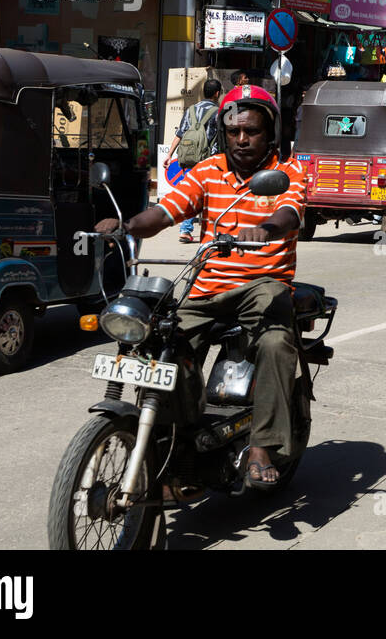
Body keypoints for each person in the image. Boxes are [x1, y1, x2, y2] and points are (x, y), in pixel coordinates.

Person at [95, 85, 307, 488]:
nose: (242, 139)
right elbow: (164, 212)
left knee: (277, 344)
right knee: (161, 342)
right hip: (207, 290)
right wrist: (124, 225)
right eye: (233, 132)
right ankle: (181, 435)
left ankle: (263, 445)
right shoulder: (208, 170)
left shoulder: (287, 172)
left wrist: (265, 229)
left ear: (270, 133)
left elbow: (289, 213)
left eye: (252, 131)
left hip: (262, 286)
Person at [165, 79, 222, 243]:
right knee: (211, 195)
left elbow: (180, 133)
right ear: (217, 93)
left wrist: (169, 155)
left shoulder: (191, 110)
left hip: (190, 159)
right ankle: (212, 230)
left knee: (191, 194)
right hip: (209, 160)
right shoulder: (218, 112)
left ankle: (185, 230)